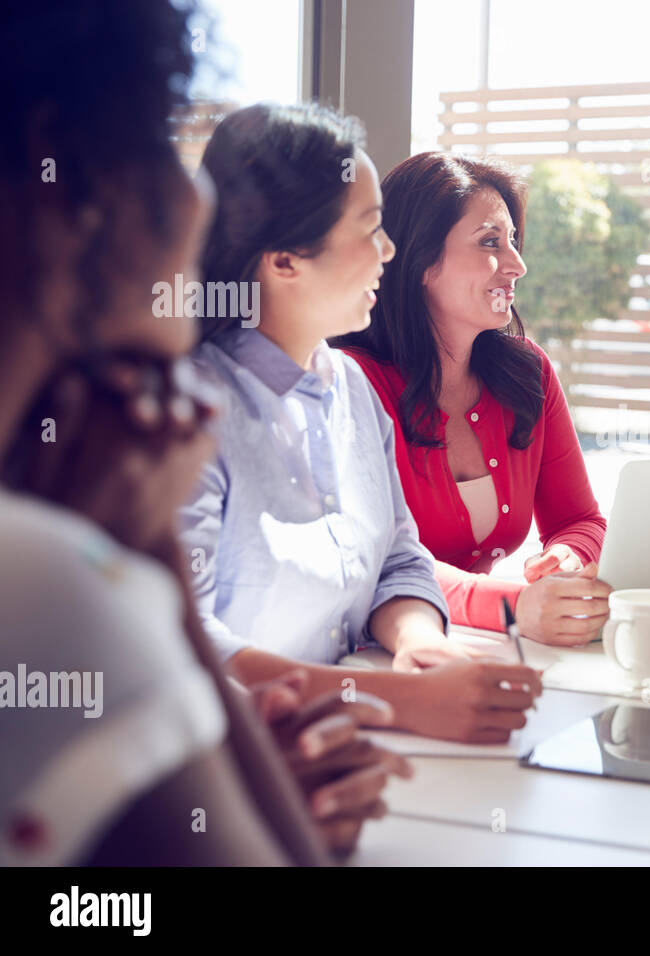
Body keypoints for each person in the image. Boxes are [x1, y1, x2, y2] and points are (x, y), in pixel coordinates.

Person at [0, 0, 408, 864]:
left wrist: (231, 778)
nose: (200, 200)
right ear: (66, 177)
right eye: (160, 137)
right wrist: (145, 568)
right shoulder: (41, 581)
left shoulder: (56, 532)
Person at [180, 104, 542, 742]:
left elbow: (398, 562)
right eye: (369, 228)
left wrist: (421, 645)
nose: (390, 251)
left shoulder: (350, 387)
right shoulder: (192, 412)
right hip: (237, 758)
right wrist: (399, 700)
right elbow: (186, 638)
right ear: (286, 259)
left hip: (348, 744)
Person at [334, 152, 611, 645]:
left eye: (514, 242)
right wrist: (512, 607)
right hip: (382, 656)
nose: (518, 265)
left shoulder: (529, 374)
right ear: (420, 261)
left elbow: (579, 520)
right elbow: (384, 563)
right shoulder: (354, 385)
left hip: (484, 647)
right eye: (490, 243)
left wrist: (567, 558)